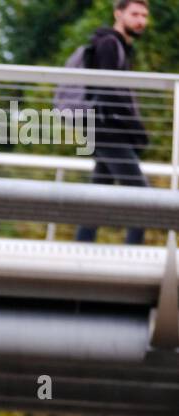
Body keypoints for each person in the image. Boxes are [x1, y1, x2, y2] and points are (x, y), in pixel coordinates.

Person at [75, 0, 151, 246]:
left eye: (144, 15)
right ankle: (134, 254)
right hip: (107, 130)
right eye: (135, 14)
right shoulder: (109, 44)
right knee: (142, 197)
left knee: (99, 193)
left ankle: (81, 248)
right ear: (118, 14)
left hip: (106, 129)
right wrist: (135, 128)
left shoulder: (119, 46)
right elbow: (107, 92)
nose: (141, 20)